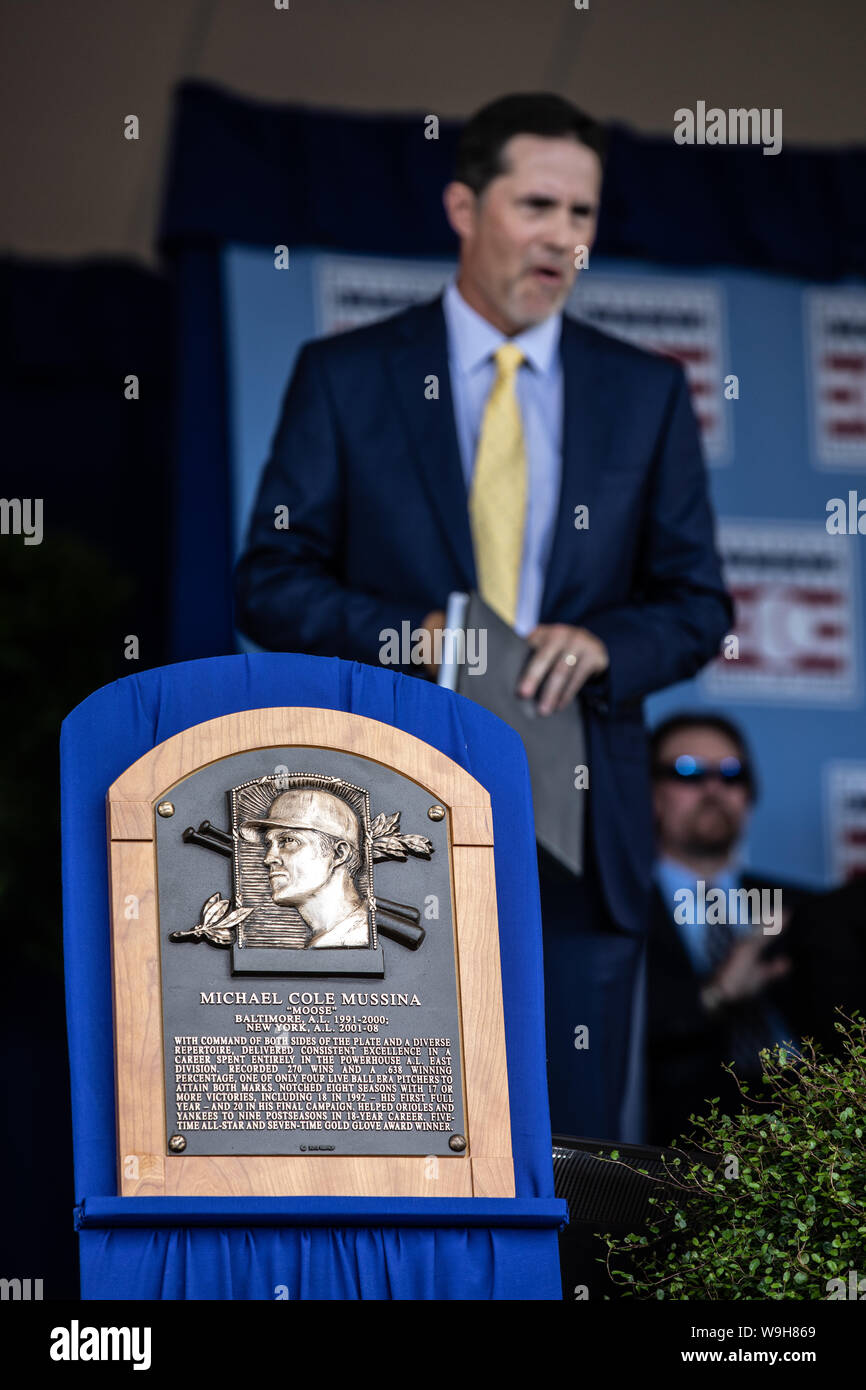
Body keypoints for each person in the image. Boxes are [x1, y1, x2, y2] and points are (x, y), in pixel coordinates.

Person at [234, 93, 732, 1139]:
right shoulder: (348, 375)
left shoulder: (643, 392)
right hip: (381, 820)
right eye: (538, 203)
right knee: (391, 1141)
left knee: (570, 1155)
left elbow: (695, 607)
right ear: (463, 204)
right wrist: (409, 636)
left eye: (584, 214)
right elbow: (270, 581)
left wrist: (604, 643)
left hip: (578, 837)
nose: (563, 236)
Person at [646, 712, 814, 1144]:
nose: (713, 788)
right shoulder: (615, 916)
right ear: (650, 795)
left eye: (731, 774)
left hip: (814, 1141)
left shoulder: (806, 910)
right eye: (687, 771)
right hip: (674, 1148)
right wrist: (719, 993)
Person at [240, 787, 371, 948]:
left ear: (338, 853)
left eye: (288, 840)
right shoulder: (331, 938)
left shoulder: (362, 934)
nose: (268, 859)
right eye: (269, 844)